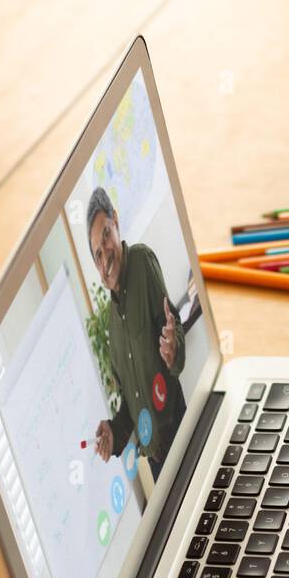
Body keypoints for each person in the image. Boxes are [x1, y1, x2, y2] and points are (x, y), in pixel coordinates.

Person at [87, 187, 187, 482]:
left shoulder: (142, 261)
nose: (104, 254)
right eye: (96, 254)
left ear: (116, 223)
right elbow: (131, 407)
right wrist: (113, 433)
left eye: (106, 234)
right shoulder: (110, 327)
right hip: (155, 461)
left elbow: (174, 329)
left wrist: (173, 350)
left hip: (178, 432)